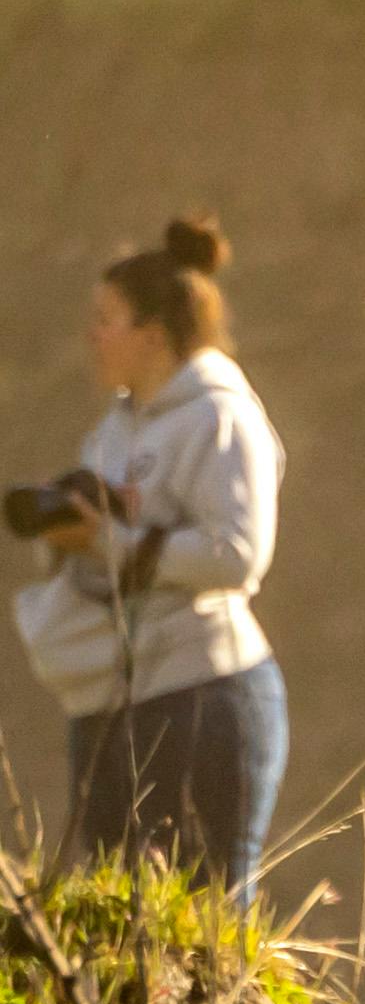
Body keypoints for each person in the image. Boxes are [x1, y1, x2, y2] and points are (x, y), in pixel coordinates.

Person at [10, 214, 290, 905]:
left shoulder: (219, 418)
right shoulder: (115, 427)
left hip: (204, 695)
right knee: (121, 921)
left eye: (107, 318)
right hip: (116, 699)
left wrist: (113, 543)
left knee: (204, 927)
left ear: (155, 335)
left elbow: (239, 554)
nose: (92, 334)